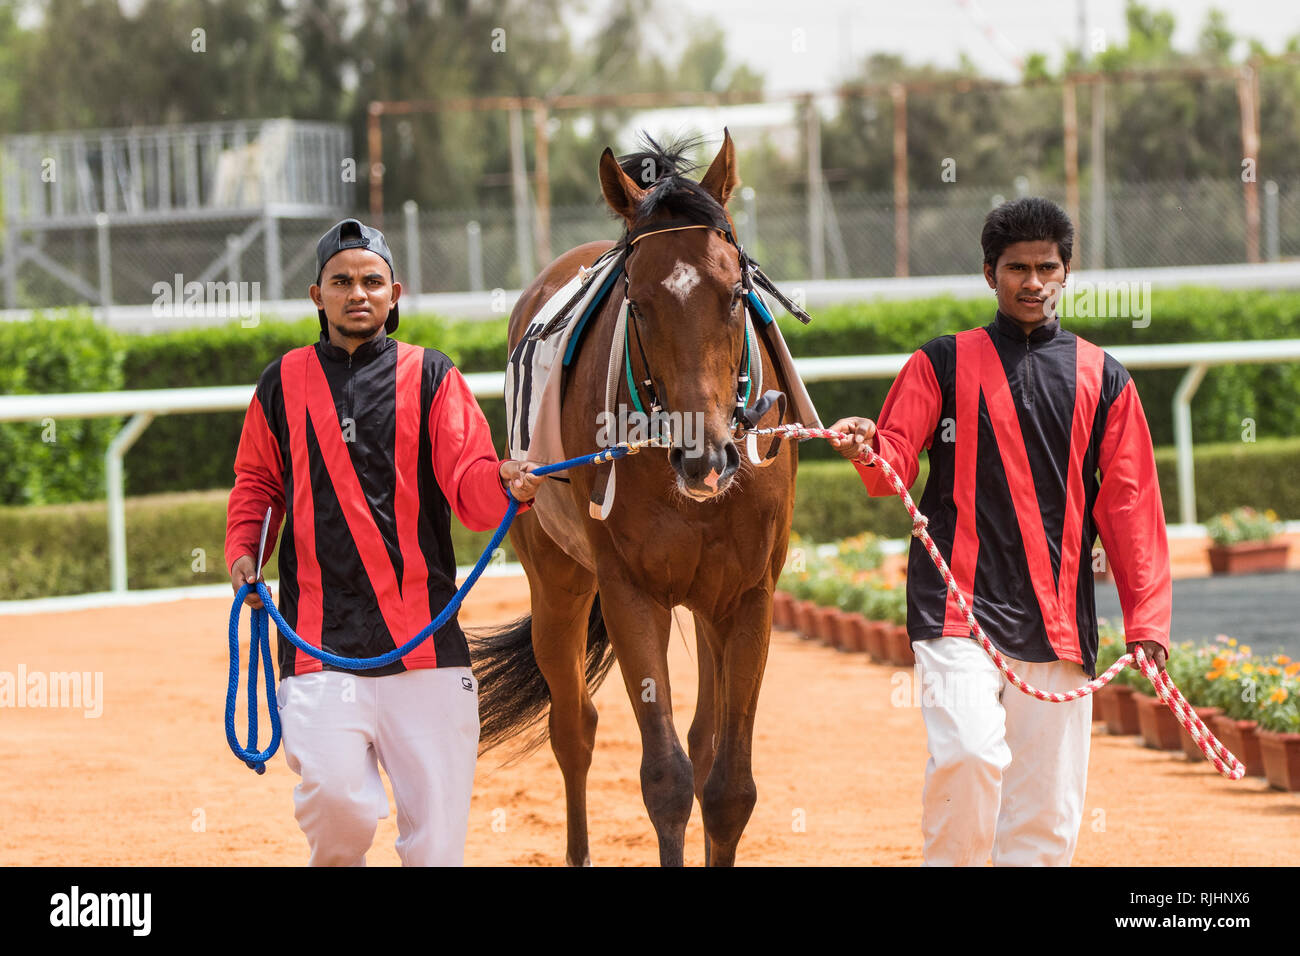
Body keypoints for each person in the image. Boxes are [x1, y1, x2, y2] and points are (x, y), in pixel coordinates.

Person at [826, 197, 1171, 866]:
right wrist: (865, 446)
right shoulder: (940, 363)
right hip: (955, 608)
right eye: (1017, 267)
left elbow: (1131, 509)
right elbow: (889, 465)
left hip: (1061, 622)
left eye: (1047, 267)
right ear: (990, 273)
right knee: (969, 754)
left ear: (1067, 273)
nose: (1033, 282)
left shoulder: (1107, 380)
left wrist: (1148, 622)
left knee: (1045, 814)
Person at [225, 218, 543, 866]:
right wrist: (243, 557)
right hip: (318, 649)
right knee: (340, 807)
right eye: (341, 282)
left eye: (371, 281)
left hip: (428, 650)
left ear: (394, 293)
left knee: (436, 851)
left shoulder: (433, 376)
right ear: (317, 296)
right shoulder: (279, 384)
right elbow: (257, 484)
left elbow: (472, 486)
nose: (357, 293)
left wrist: (508, 483)